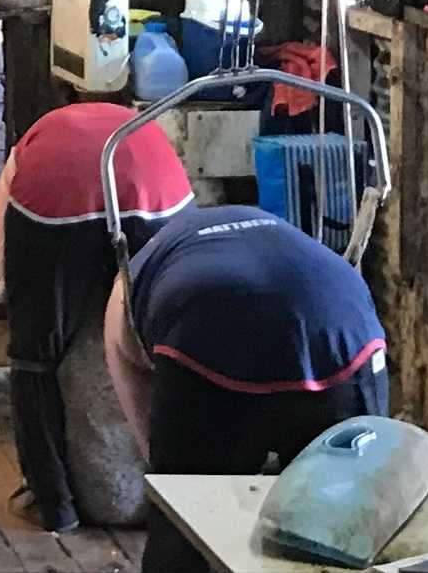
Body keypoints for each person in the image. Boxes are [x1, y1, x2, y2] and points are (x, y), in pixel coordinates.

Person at [105, 204, 390, 573]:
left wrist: (170, 473)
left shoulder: (131, 279)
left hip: (206, 333)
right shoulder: (269, 229)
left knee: (187, 525)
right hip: (341, 326)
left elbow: (133, 388)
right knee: (344, 521)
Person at [0, 102, 192, 532]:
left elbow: (2, 272)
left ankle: (54, 506)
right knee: (174, 339)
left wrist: (33, 312)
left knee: (33, 353)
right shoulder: (140, 124)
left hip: (55, 191)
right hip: (155, 184)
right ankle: (186, 502)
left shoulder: (24, 156)